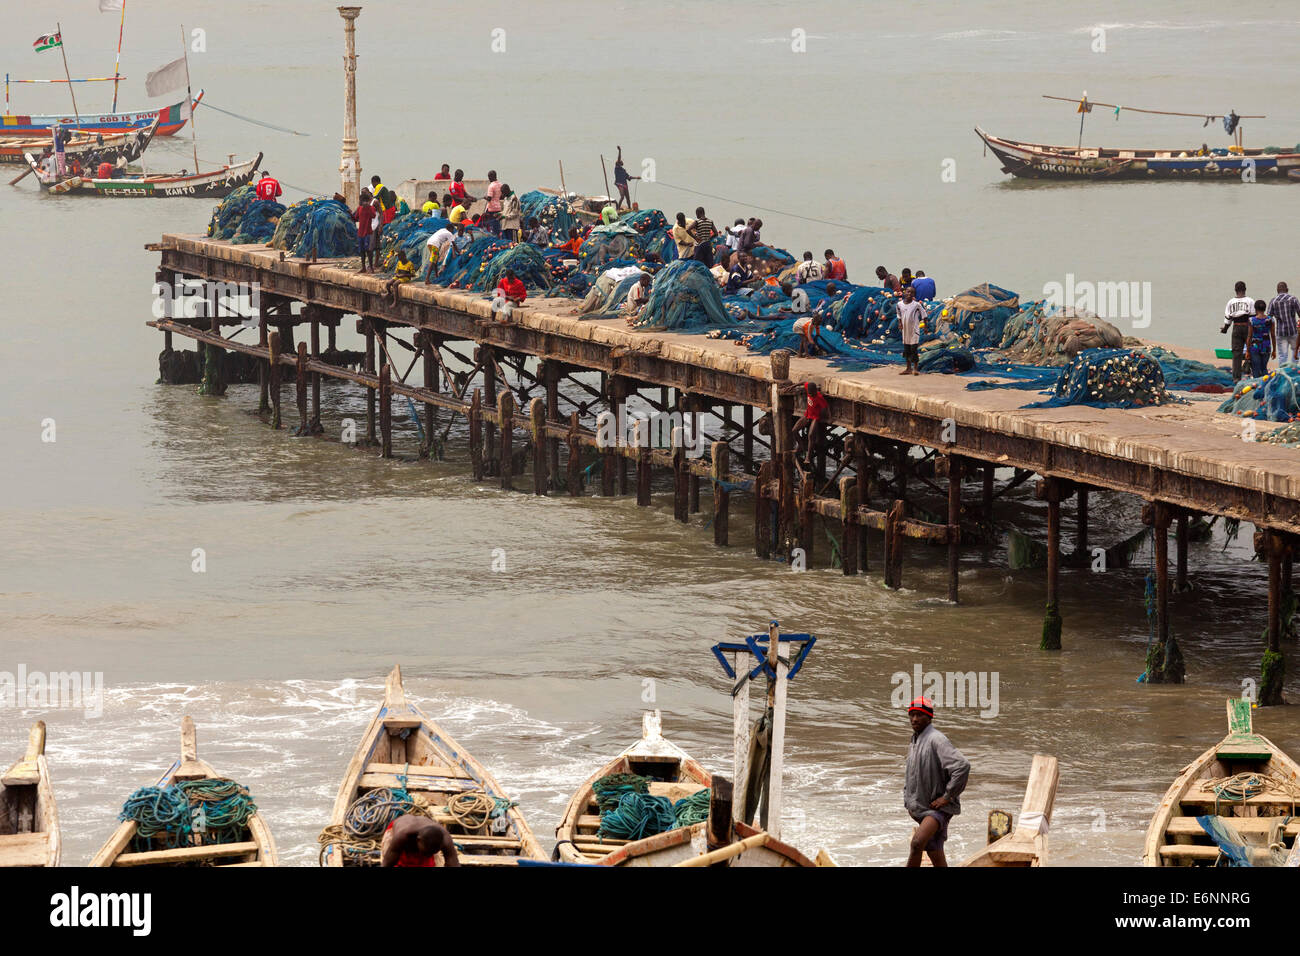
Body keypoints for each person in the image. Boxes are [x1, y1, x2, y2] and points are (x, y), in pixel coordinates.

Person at [903, 696, 970, 868]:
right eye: (912, 715)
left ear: (929, 717)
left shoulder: (936, 739)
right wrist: (908, 801)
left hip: (937, 808)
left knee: (917, 843)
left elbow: (962, 766)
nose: (915, 719)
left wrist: (947, 797)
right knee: (934, 851)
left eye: (919, 715)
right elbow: (911, 773)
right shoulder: (915, 740)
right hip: (922, 806)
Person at [380, 815, 460, 867]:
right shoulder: (402, 835)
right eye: (426, 853)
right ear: (418, 840)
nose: (428, 856)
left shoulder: (445, 839)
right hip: (395, 835)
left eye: (431, 853)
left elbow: (453, 863)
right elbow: (387, 864)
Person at [782, 380, 828, 468]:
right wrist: (792, 386)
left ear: (815, 391)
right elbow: (804, 382)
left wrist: (823, 417)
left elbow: (825, 408)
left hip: (815, 417)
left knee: (811, 435)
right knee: (794, 430)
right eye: (809, 394)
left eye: (812, 394)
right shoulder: (808, 388)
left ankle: (808, 457)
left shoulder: (819, 397)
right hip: (807, 415)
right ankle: (801, 445)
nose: (811, 395)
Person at [1222, 280, 1255, 382]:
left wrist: (1225, 329)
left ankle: (1236, 378)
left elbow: (1228, 319)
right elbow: (1253, 316)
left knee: (1236, 353)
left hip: (1236, 327)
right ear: (1245, 289)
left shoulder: (1230, 302)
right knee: (1251, 349)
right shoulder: (1250, 301)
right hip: (1247, 326)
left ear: (1235, 290)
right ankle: (1252, 372)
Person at [1268, 281, 1300, 367]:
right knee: (1296, 352)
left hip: (1280, 333)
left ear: (1277, 290)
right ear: (1287, 289)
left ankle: (1283, 373)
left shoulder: (1273, 301)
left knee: (1282, 356)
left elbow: (1269, 318)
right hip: (1293, 331)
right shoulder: (1293, 299)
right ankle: (1292, 370)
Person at [897, 284, 926, 375]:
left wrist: (925, 326)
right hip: (905, 331)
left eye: (912, 292)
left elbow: (924, 315)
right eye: (908, 291)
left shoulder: (916, 305)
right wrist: (900, 323)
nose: (909, 293)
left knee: (914, 349)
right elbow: (899, 315)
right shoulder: (899, 304)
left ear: (914, 295)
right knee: (907, 349)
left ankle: (915, 368)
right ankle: (908, 368)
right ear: (904, 292)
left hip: (914, 330)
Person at [1245, 299, 1275, 379]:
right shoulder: (1270, 319)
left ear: (1255, 309)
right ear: (1265, 309)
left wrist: (1247, 350)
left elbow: (1249, 336)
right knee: (1264, 367)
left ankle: (1256, 384)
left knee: (1255, 368)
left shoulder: (1252, 320)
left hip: (1255, 347)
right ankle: (1264, 385)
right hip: (1266, 346)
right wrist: (1274, 350)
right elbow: (1273, 335)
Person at [353, 191, 375, 273]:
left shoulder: (371, 208)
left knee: (368, 250)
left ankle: (371, 267)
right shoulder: (359, 208)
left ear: (368, 201)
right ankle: (363, 267)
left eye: (366, 201)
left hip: (368, 232)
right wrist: (350, 214)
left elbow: (373, 215)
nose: (364, 202)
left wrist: (368, 207)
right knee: (361, 251)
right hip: (360, 233)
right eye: (363, 201)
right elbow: (355, 218)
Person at [483, 170, 503, 236]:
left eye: (489, 177)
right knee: (498, 225)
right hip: (499, 207)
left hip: (492, 209)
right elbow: (502, 196)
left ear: (491, 177)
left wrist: (485, 197)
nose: (489, 179)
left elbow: (489, 198)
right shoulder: (500, 184)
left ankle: (494, 237)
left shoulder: (491, 186)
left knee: (492, 225)